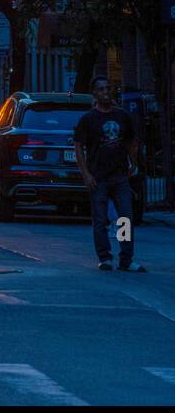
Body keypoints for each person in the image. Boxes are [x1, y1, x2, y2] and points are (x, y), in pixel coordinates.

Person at [74, 76, 143, 272]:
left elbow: (131, 142)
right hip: (98, 177)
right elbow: (78, 147)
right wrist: (86, 174)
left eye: (108, 88)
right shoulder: (88, 119)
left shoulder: (122, 116)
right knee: (100, 220)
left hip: (120, 176)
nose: (106, 92)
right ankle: (104, 258)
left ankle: (126, 259)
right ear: (94, 93)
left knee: (125, 218)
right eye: (101, 89)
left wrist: (134, 164)